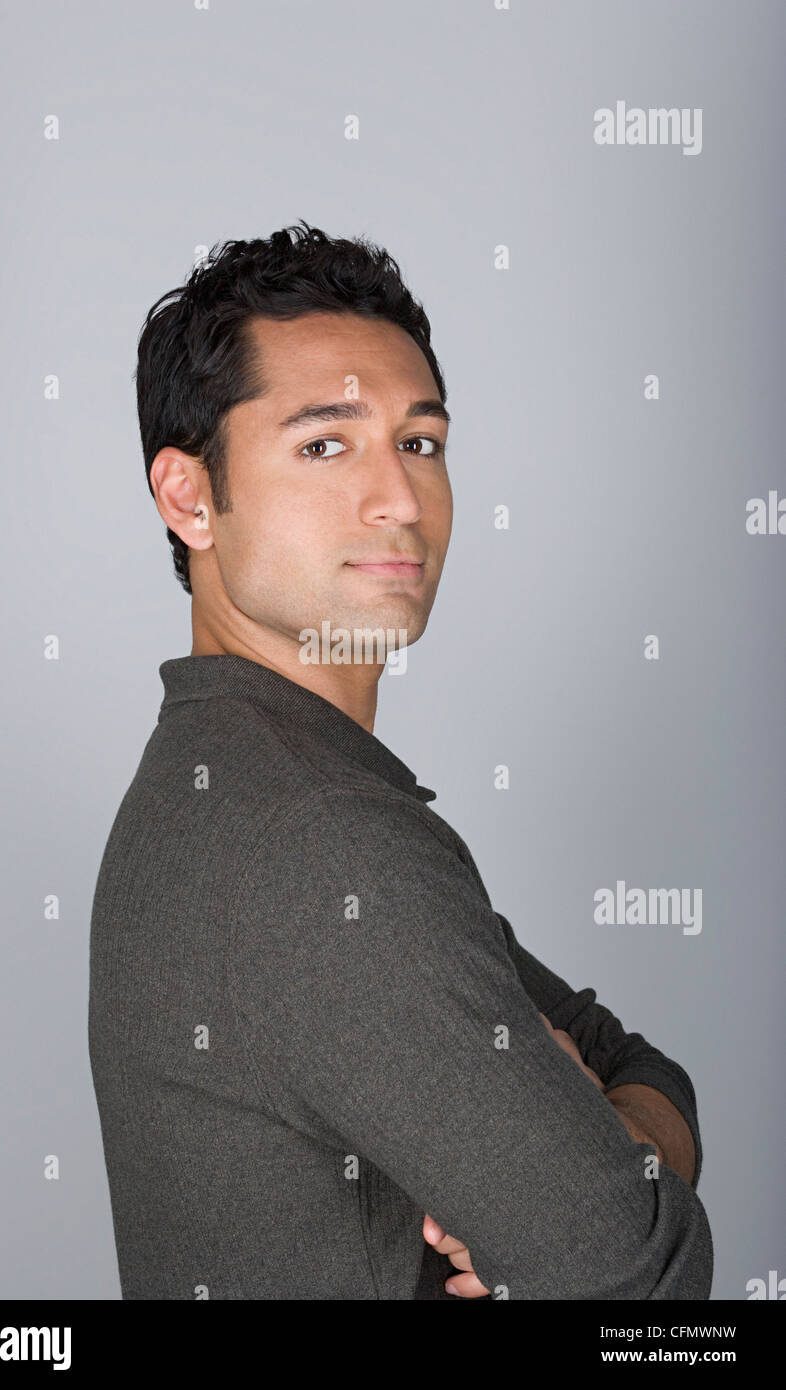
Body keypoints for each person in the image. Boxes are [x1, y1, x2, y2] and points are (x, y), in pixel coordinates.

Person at [88, 221, 713, 1300]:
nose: (399, 498)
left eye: (418, 441)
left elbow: (636, 1063)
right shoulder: (316, 838)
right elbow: (640, 1282)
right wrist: (615, 1171)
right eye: (324, 444)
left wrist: (613, 1142)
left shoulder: (242, 778)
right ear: (189, 497)